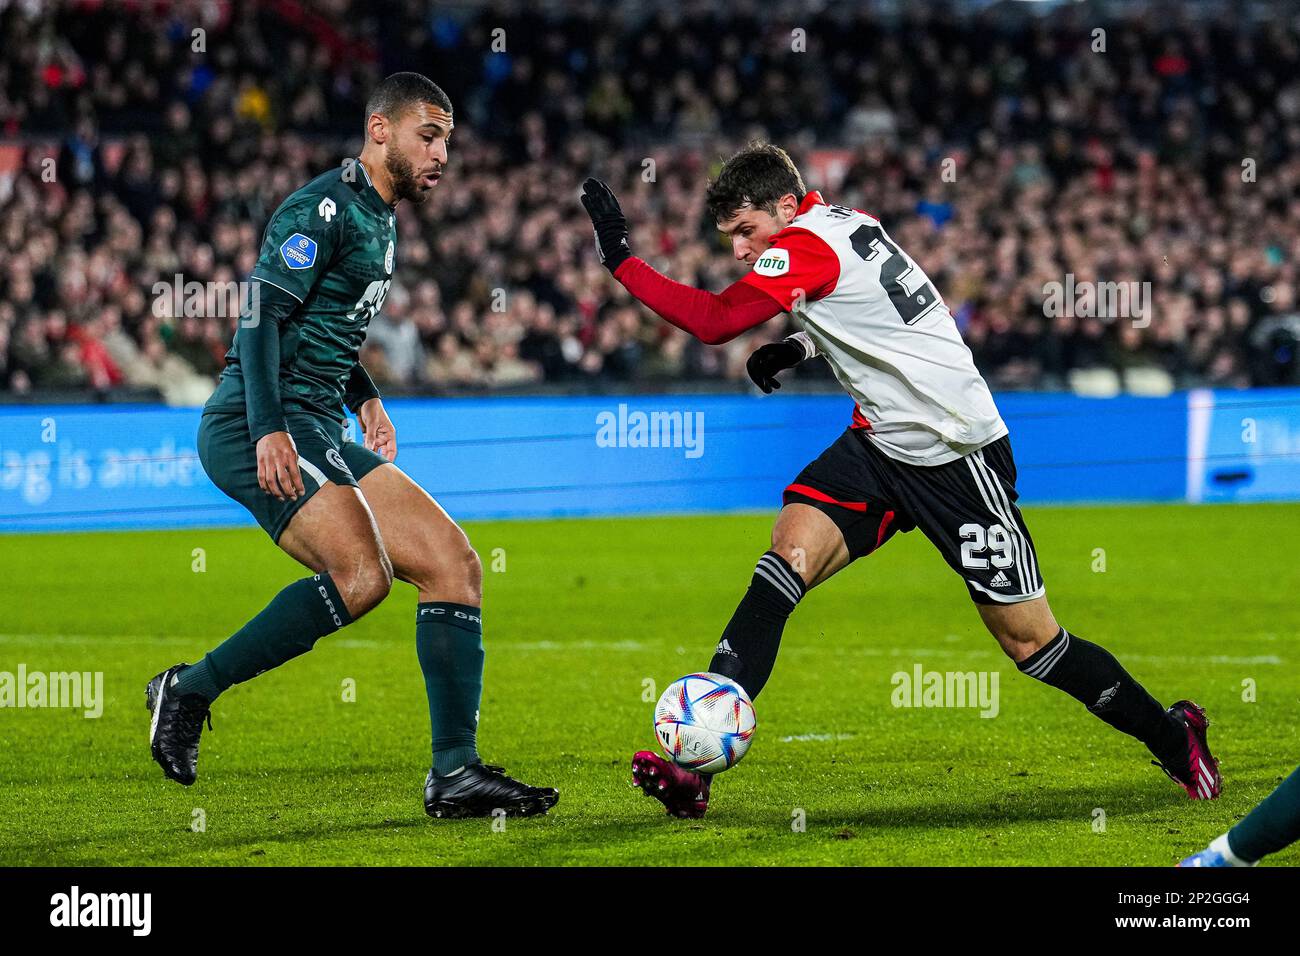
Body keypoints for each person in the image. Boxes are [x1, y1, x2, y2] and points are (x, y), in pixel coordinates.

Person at [580, 142, 1219, 818]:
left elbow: (712, 322)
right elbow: (887, 315)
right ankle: (696, 767)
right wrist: (798, 344)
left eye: (746, 230)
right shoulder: (850, 223)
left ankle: (1175, 736)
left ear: (786, 208)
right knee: (782, 565)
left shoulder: (800, 247)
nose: (741, 249)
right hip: (882, 441)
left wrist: (620, 256)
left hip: (956, 457)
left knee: (1033, 645)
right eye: (731, 237)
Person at [146, 73, 557, 819]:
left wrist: (363, 396)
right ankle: (188, 688)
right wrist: (269, 425)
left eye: (448, 142)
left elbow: (326, 327)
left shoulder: (380, 216)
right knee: (361, 576)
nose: (441, 155)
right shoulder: (323, 208)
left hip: (316, 418)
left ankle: (455, 773)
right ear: (379, 130)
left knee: (453, 564)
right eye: (428, 136)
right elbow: (263, 316)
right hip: (256, 421)